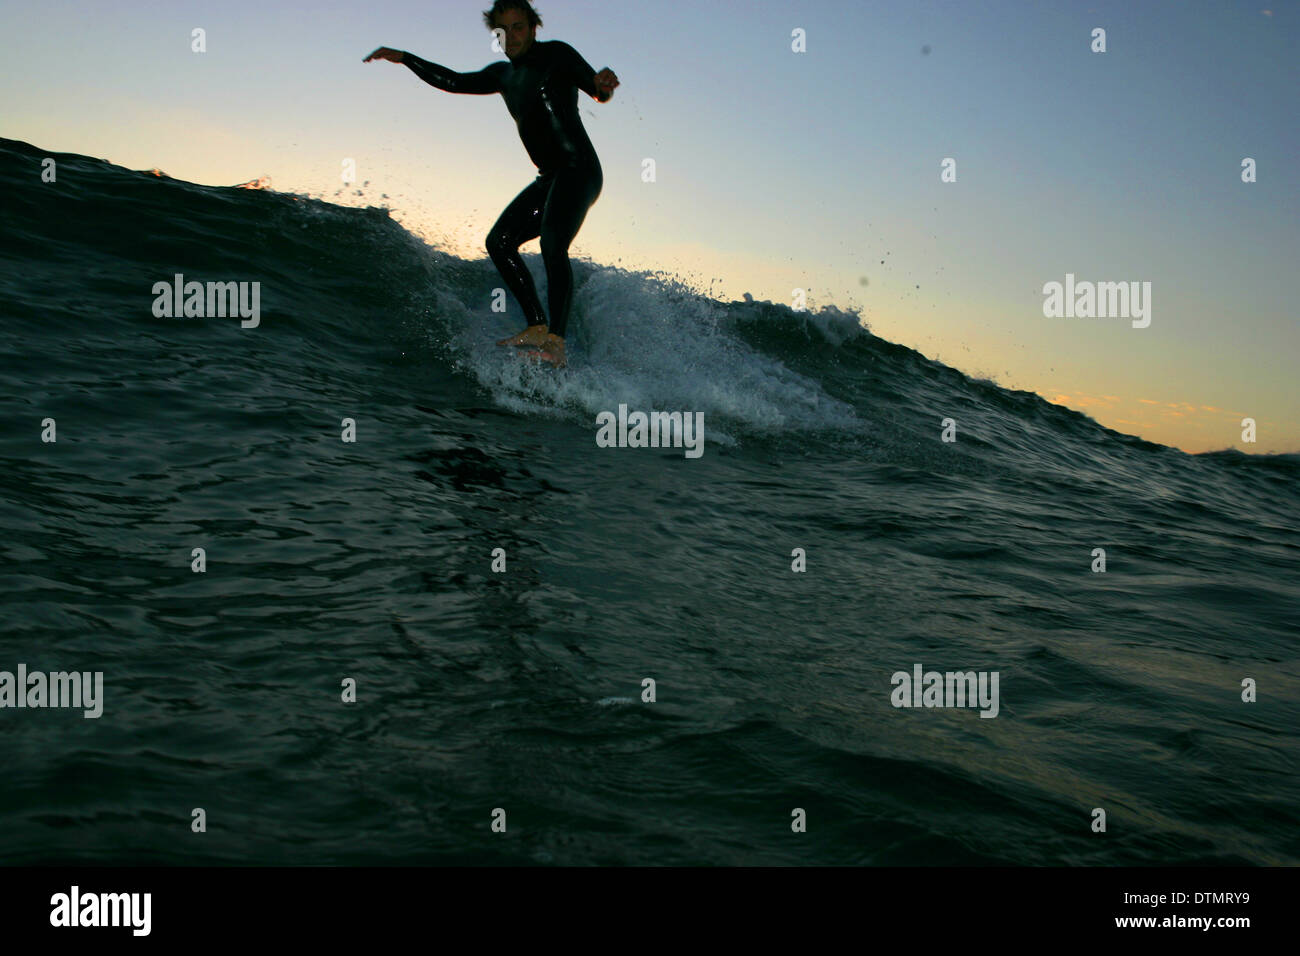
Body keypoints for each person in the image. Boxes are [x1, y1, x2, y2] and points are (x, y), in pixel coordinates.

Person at [365, 0, 618, 367]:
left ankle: (556, 342)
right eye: (502, 30)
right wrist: (405, 57)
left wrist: (602, 85)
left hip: (579, 170)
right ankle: (535, 325)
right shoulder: (503, 76)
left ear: (533, 27)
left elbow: (597, 89)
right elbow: (453, 81)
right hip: (549, 179)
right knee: (498, 241)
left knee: (552, 242)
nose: (510, 36)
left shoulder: (557, 55)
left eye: (518, 27)